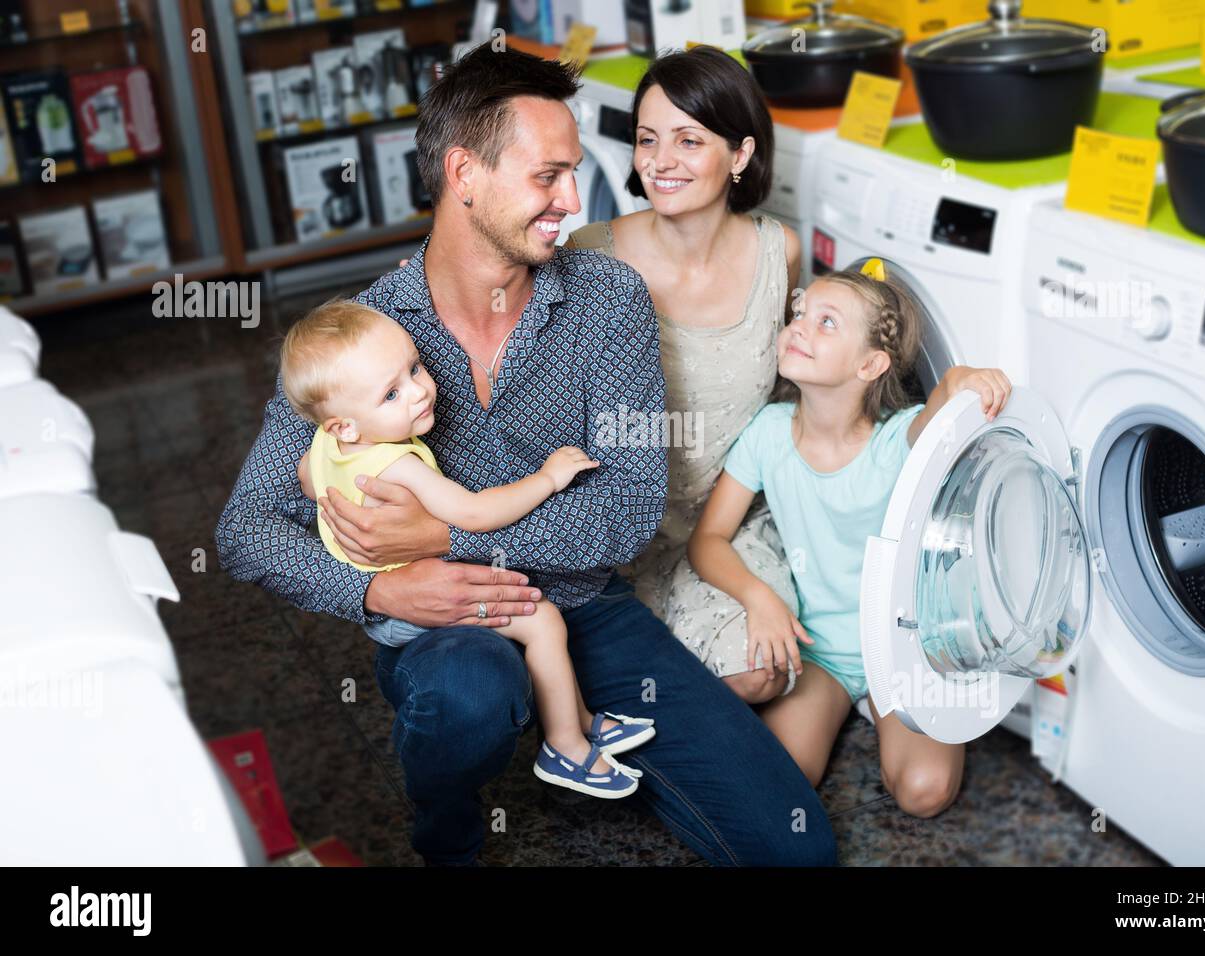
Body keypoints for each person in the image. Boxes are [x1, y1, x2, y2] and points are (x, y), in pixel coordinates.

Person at [215, 43, 837, 866]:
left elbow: (624, 512)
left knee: (794, 851)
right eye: (548, 176)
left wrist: (443, 538)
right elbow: (246, 526)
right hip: (451, 621)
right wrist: (381, 587)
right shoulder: (365, 334)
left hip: (588, 609)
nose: (573, 202)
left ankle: (569, 735)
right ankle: (450, 818)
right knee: (468, 692)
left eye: (575, 173)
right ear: (465, 173)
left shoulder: (608, 299)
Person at [280, 299, 654, 797]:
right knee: (543, 621)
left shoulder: (326, 445)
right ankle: (565, 747)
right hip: (408, 606)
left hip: (387, 593)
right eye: (391, 394)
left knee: (534, 620)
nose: (419, 391)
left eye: (414, 368)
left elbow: (308, 482)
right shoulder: (400, 464)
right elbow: (477, 514)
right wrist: (546, 478)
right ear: (346, 425)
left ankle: (580, 718)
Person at [687, 265, 1012, 814]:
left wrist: (962, 380)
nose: (798, 328)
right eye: (799, 314)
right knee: (779, 780)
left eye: (826, 321)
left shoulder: (896, 438)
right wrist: (759, 597)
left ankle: (896, 709)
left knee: (923, 794)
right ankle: (854, 706)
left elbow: (942, 406)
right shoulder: (768, 432)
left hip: (912, 648)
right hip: (824, 654)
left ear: (871, 364)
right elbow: (708, 539)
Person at [565, 47, 807, 697]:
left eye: (688, 140)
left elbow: (796, 395)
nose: (660, 161)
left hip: (725, 528)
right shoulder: (593, 254)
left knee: (762, 670)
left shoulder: (777, 252)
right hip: (614, 528)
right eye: (647, 140)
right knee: (603, 678)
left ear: (741, 154)